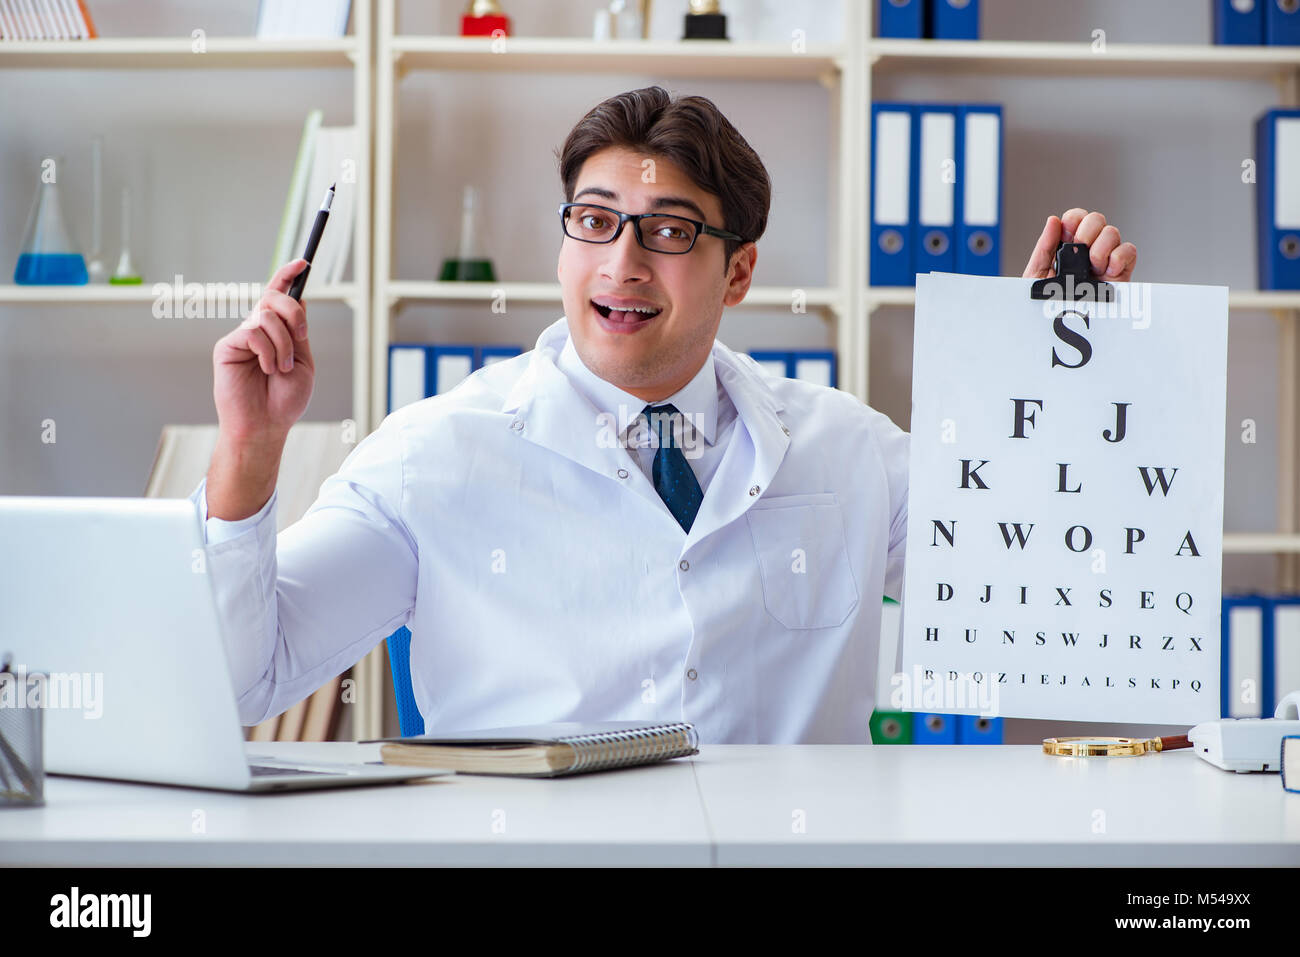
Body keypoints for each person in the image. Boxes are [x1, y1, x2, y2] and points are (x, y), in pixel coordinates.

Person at [192, 86, 1137, 743]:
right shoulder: (432, 456)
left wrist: (1041, 374)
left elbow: (1034, 596)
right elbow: (244, 678)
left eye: (670, 231)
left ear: (738, 270)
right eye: (594, 220)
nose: (622, 264)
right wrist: (251, 450)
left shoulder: (846, 450)